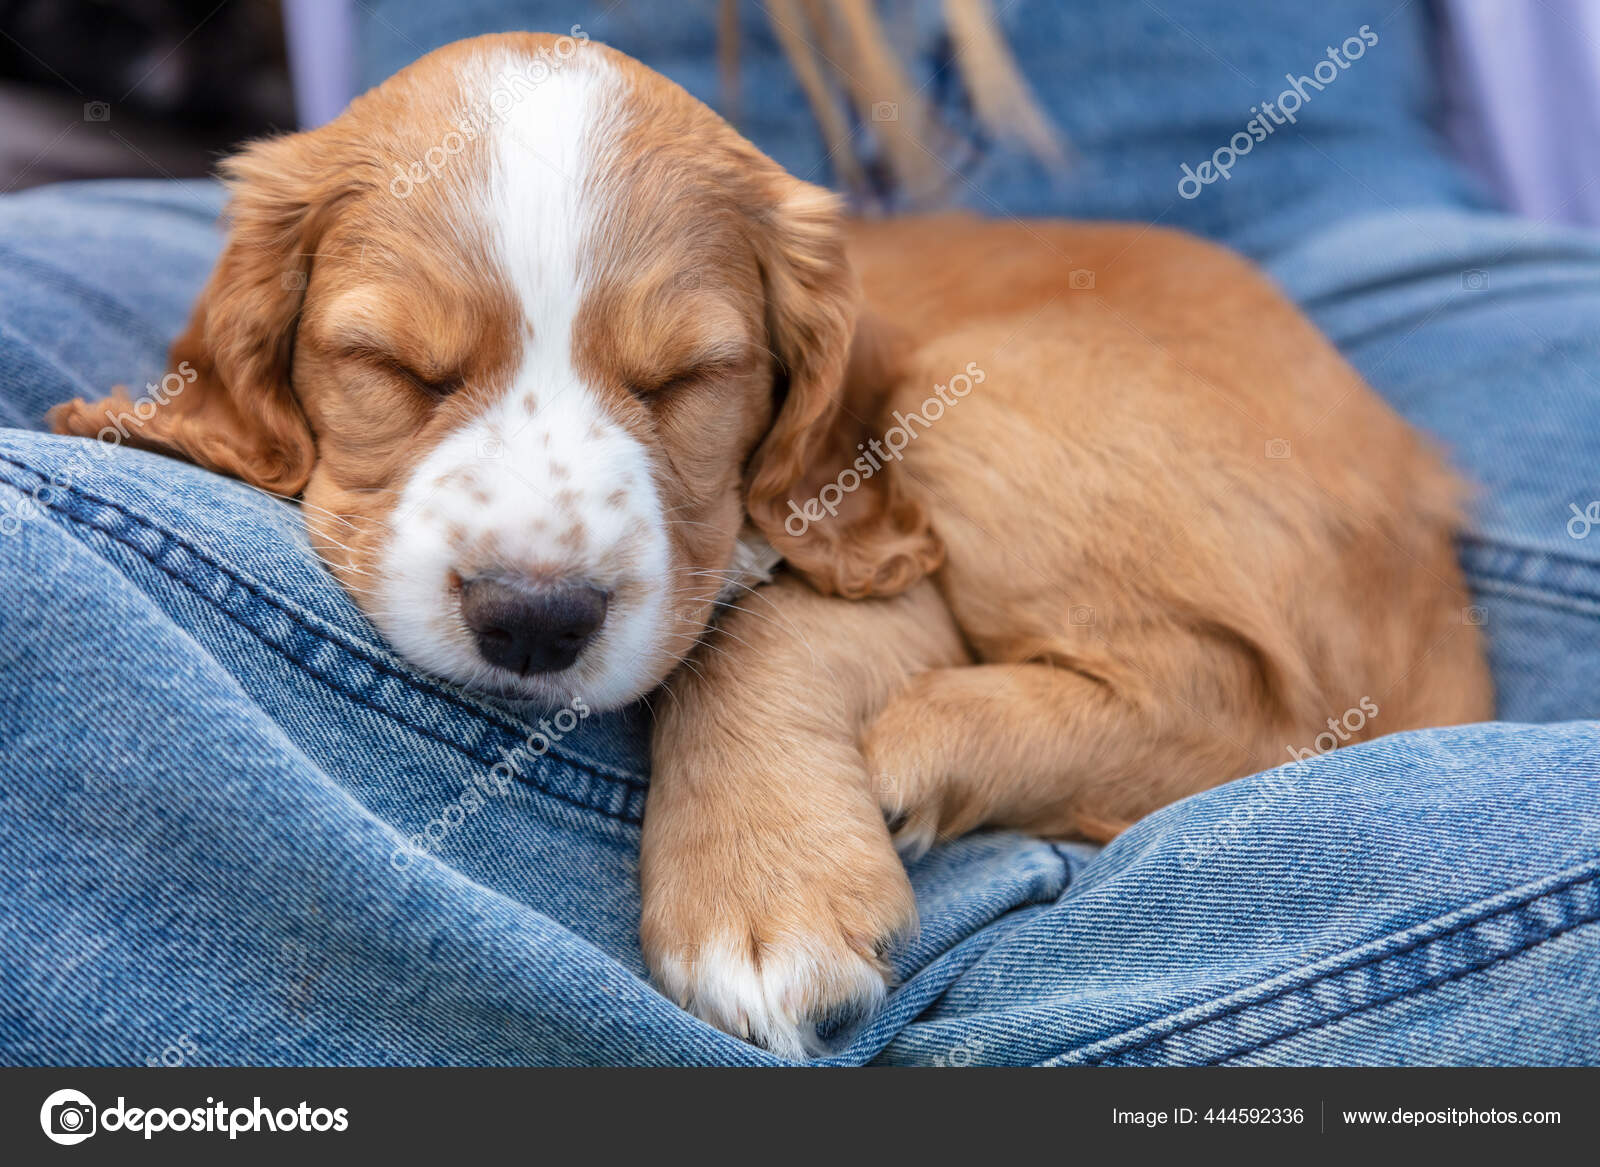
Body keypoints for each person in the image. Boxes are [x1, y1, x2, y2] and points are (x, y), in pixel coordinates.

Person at [2, 0, 1596, 1066]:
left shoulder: (834, 348)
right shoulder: (303, 223)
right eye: (404, 371)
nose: (542, 547)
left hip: (1291, 271)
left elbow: (848, 527)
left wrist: (781, 697)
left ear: (788, 388)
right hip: (424, 163)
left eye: (678, 380)